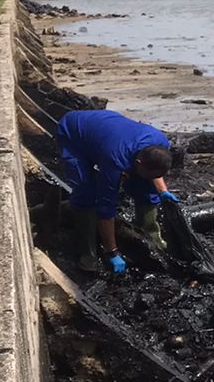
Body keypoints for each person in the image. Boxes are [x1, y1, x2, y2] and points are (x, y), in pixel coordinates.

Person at [57, 109, 177, 274]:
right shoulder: (115, 160)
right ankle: (87, 251)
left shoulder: (160, 143)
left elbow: (154, 171)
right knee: (86, 191)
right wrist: (112, 252)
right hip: (74, 131)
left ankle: (152, 237)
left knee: (146, 188)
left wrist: (163, 191)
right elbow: (106, 208)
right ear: (137, 162)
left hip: (108, 127)